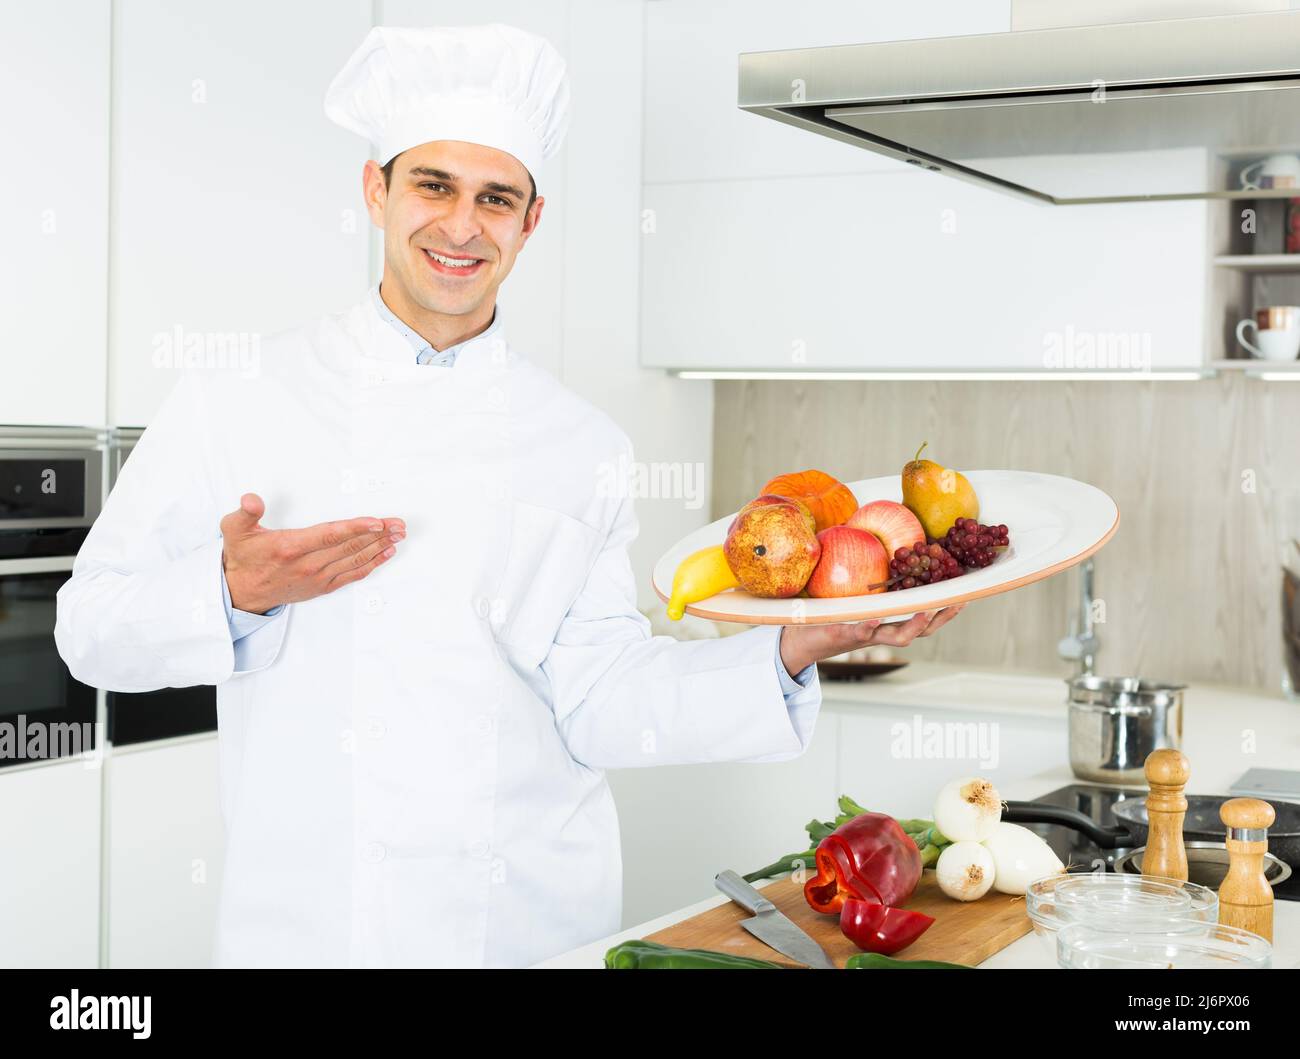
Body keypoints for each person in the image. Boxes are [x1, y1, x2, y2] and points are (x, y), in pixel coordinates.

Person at [55, 23, 962, 968]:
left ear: (531, 221)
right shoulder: (237, 397)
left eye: (496, 198)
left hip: (523, 923)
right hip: (315, 922)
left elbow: (604, 693)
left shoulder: (583, 444)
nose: (460, 226)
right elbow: (90, 630)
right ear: (376, 190)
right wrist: (232, 591)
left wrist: (792, 647)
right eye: (433, 185)